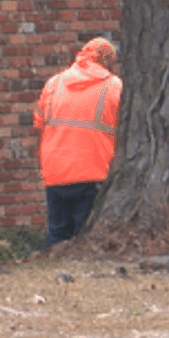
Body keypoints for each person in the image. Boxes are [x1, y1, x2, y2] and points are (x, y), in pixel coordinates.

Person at [33, 37, 122, 248]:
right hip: (93, 171)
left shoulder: (54, 83)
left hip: (55, 171)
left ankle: (49, 272)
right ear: (108, 62)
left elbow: (38, 122)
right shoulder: (115, 86)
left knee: (57, 232)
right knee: (84, 236)